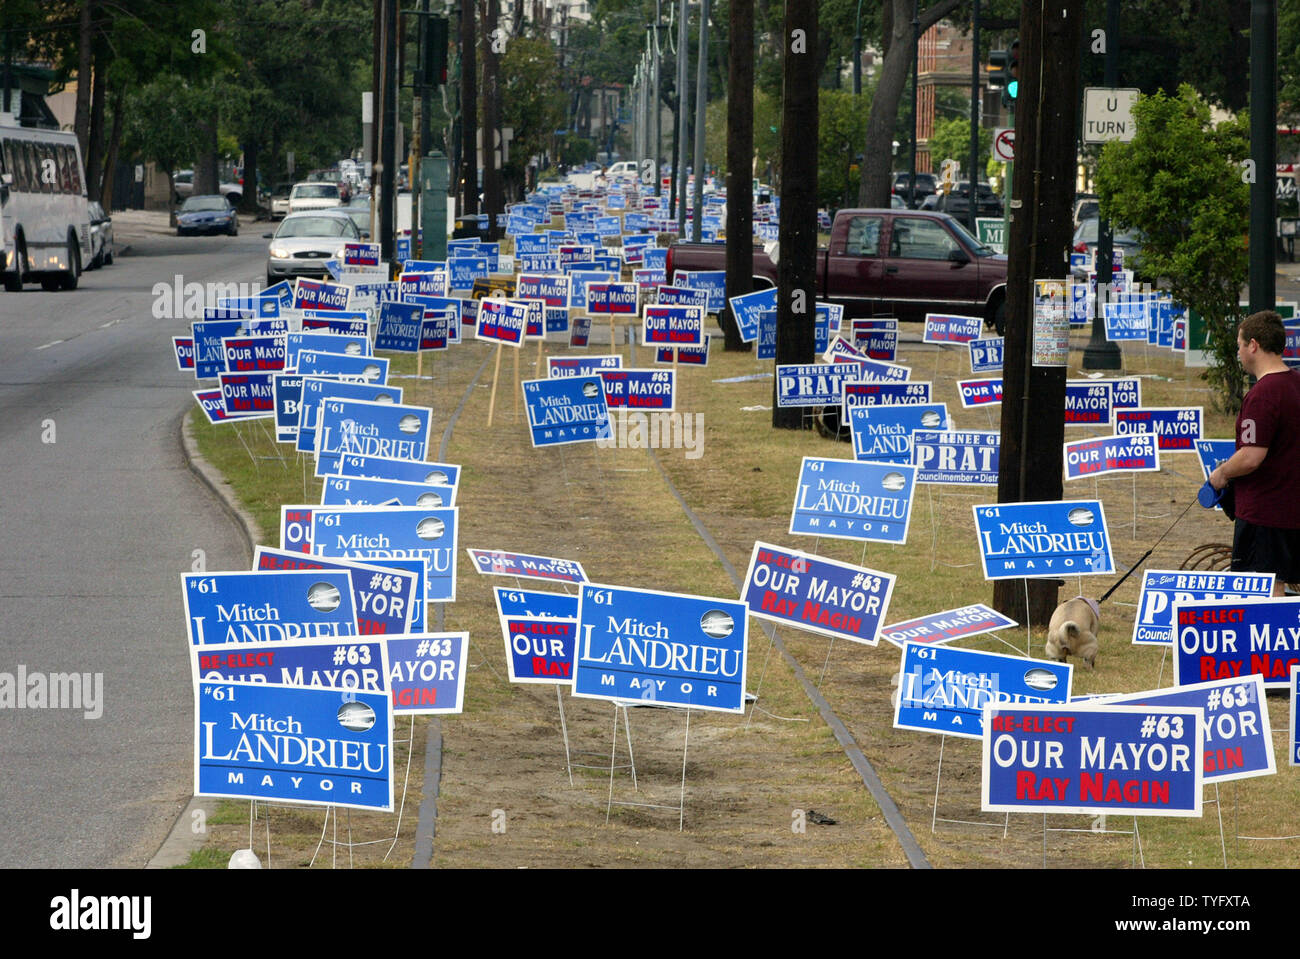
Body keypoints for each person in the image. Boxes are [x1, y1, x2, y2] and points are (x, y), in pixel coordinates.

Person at [1209, 310, 1300, 594]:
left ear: (1253, 345)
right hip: (1292, 507)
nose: (1238, 352)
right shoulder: (1295, 383)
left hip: (1265, 514)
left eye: (1239, 345)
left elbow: (1251, 456)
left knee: (1266, 591)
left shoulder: (1262, 395)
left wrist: (1221, 474)